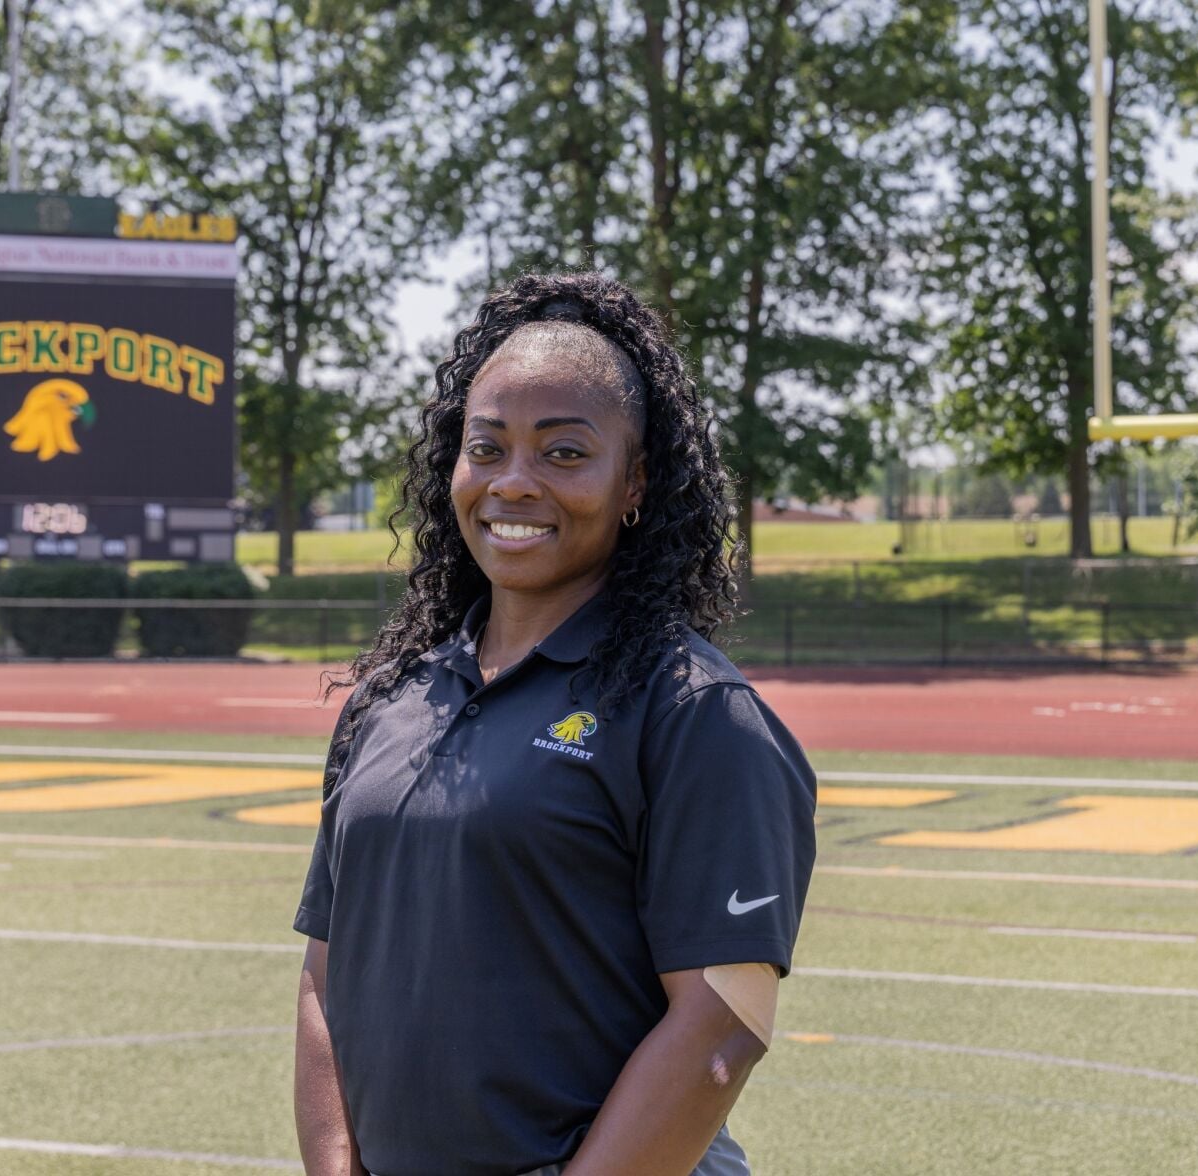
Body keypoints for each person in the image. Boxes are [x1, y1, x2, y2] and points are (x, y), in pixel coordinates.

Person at [293, 271, 816, 1176]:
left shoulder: (692, 710)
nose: (513, 483)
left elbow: (719, 1029)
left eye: (564, 453)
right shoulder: (390, 699)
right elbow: (322, 979)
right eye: (485, 448)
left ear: (634, 482)